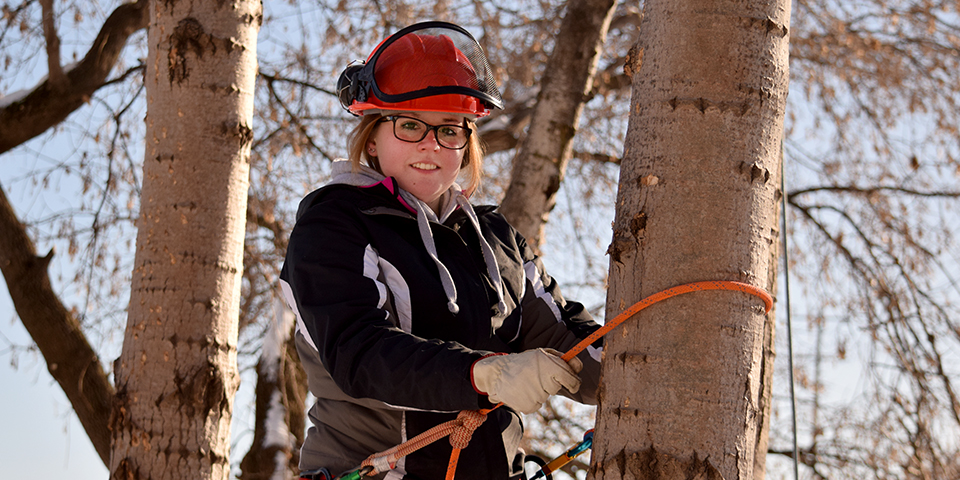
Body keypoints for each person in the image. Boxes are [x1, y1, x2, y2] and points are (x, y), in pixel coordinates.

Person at [279, 21, 603, 480]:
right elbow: (359, 352)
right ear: (372, 137)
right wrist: (483, 375)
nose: (432, 144)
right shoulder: (333, 223)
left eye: (450, 129)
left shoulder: (496, 238)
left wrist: (632, 368)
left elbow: (569, 339)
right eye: (410, 125)